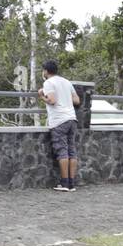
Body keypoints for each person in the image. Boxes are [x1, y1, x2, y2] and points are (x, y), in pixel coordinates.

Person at [41, 59, 81, 191]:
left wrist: (41, 95)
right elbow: (77, 100)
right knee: (72, 150)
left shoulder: (48, 82)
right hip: (71, 119)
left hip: (59, 120)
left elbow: (51, 100)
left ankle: (64, 184)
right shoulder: (66, 81)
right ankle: (72, 183)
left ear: (46, 71)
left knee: (62, 151)